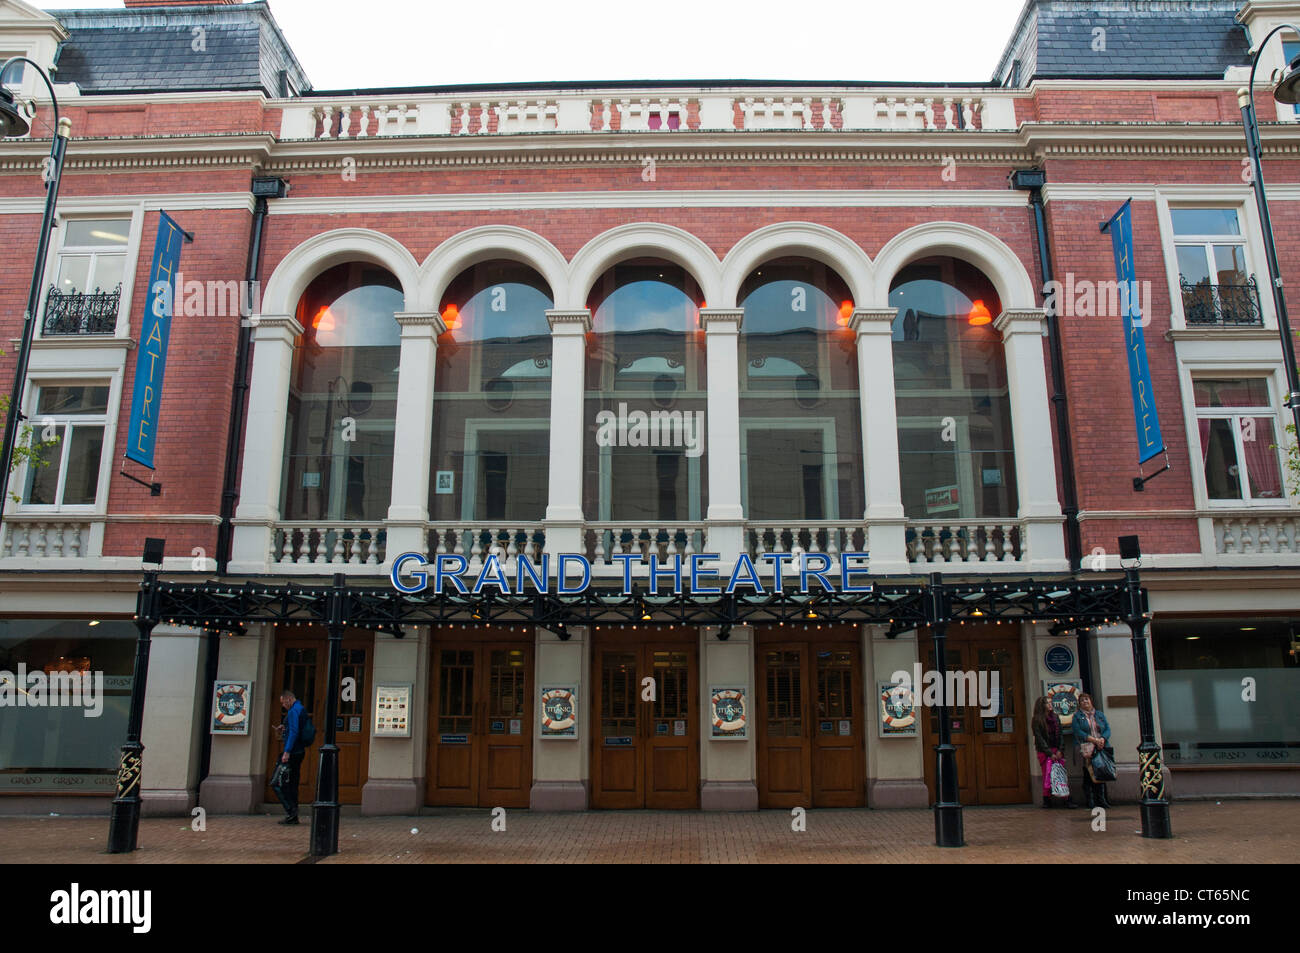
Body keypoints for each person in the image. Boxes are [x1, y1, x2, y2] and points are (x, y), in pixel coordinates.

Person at [271, 689, 306, 825]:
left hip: (293, 752)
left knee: (279, 782)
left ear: (288, 699)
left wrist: (287, 751)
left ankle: (291, 811)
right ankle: (293, 813)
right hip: (299, 751)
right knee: (292, 782)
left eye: (283, 702)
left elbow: (294, 731)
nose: (283, 706)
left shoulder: (293, 711)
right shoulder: (300, 708)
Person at [1032, 696, 1074, 808]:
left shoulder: (1056, 717)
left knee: (1060, 775)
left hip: (1057, 750)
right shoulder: (1037, 720)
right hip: (1045, 752)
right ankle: (1047, 799)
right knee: (1048, 775)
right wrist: (1050, 753)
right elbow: (1039, 738)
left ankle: (1066, 798)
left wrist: (1061, 749)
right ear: (1042, 705)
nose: (1050, 705)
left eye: (1051, 702)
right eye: (1047, 703)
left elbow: (1060, 734)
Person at [1073, 692, 1112, 808]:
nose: (1085, 702)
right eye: (1082, 701)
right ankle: (1090, 800)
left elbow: (1107, 729)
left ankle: (1102, 799)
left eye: (1086, 699)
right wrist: (1093, 740)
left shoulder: (1099, 715)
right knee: (1088, 773)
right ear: (1079, 704)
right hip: (1087, 747)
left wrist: (1102, 739)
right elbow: (1078, 731)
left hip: (1101, 747)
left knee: (1101, 772)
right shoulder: (1077, 716)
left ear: (1091, 701)